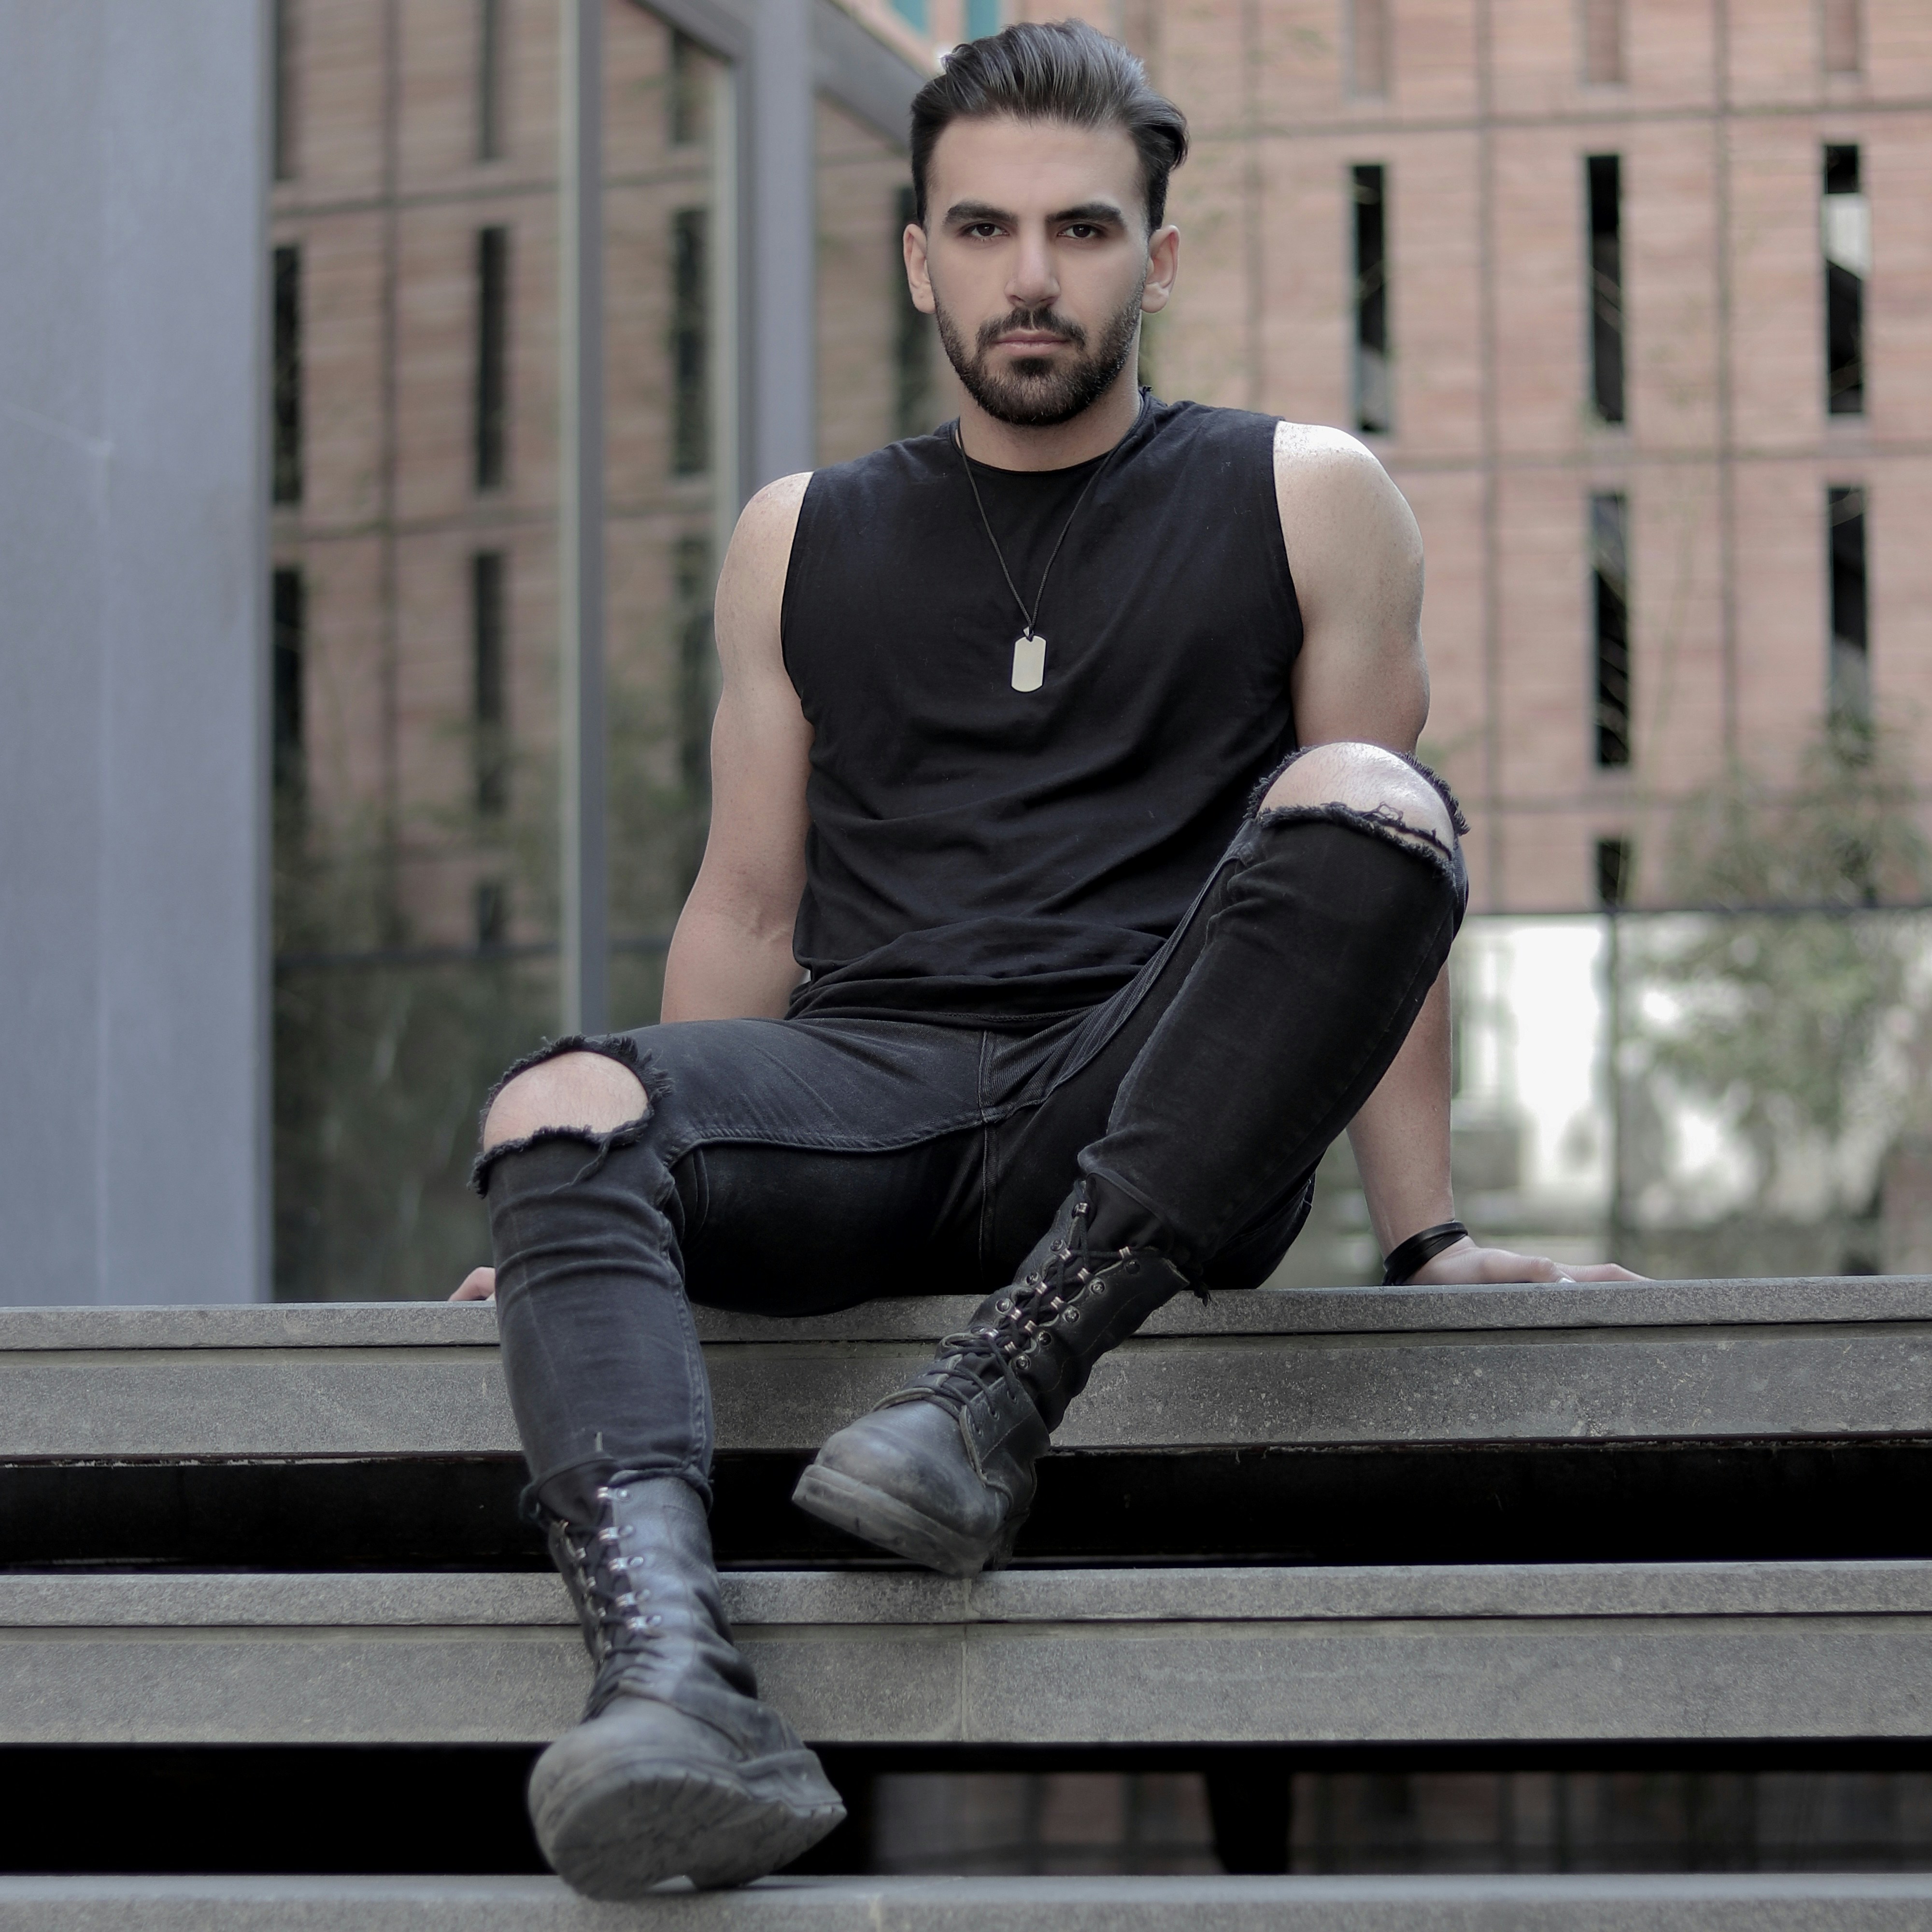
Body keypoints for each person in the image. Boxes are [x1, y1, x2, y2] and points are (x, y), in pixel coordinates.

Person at [453, 19, 1633, 1898]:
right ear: (917, 257)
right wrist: (617, 1207)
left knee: (1375, 799)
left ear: (1154, 260)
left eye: (1080, 231)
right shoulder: (797, 537)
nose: (1030, 276)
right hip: (867, 1092)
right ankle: (675, 1685)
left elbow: (1363, 913)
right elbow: (747, 907)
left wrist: (1427, 1240)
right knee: (557, 1100)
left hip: (1151, 1103)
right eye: (982, 230)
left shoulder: (1306, 492)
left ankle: (993, 1397)